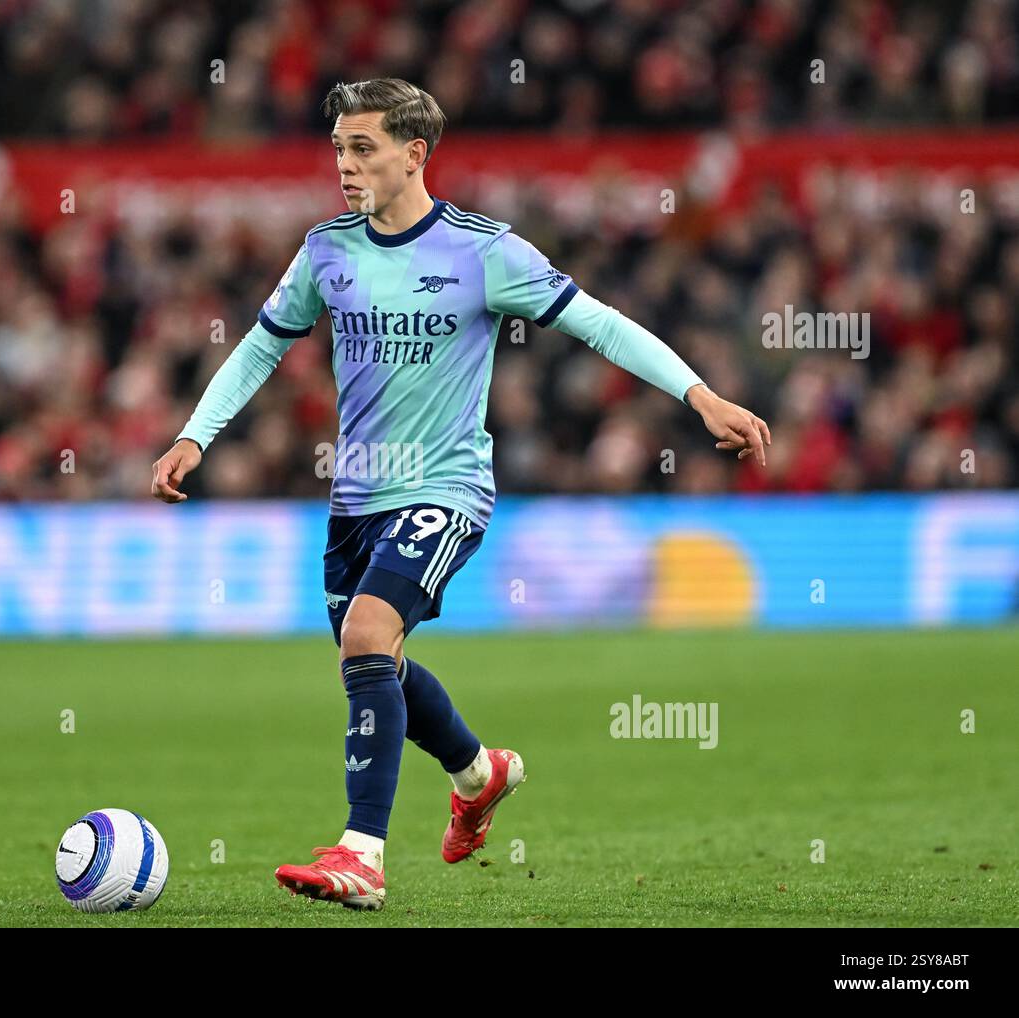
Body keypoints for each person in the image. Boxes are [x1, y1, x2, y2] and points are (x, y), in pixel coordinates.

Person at [151, 78, 770, 911]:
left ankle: (361, 854)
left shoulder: (484, 252)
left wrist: (702, 396)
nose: (344, 163)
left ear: (416, 154)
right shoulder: (326, 250)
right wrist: (196, 434)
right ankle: (480, 775)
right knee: (374, 658)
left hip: (446, 489)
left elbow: (601, 323)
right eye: (337, 147)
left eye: (362, 147)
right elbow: (261, 348)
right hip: (354, 501)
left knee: (367, 633)